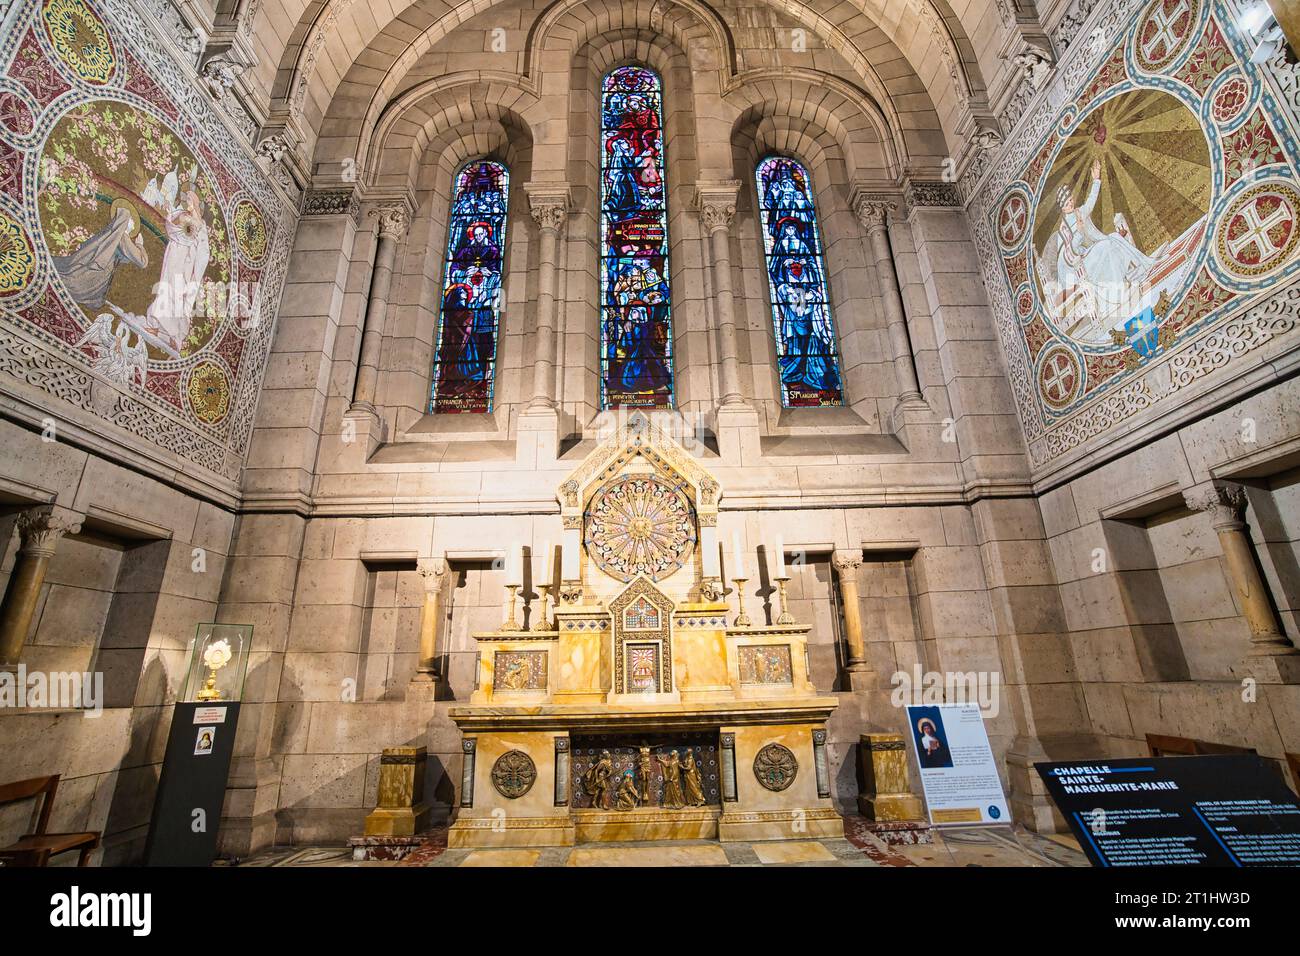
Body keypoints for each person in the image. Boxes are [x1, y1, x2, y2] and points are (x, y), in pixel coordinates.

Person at [51, 204, 149, 309]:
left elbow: (123, 257)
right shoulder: (122, 236)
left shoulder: (114, 232)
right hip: (100, 270)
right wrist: (140, 246)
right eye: (132, 221)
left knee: (82, 286)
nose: (134, 225)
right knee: (78, 287)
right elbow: (142, 262)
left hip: (102, 270)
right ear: (125, 220)